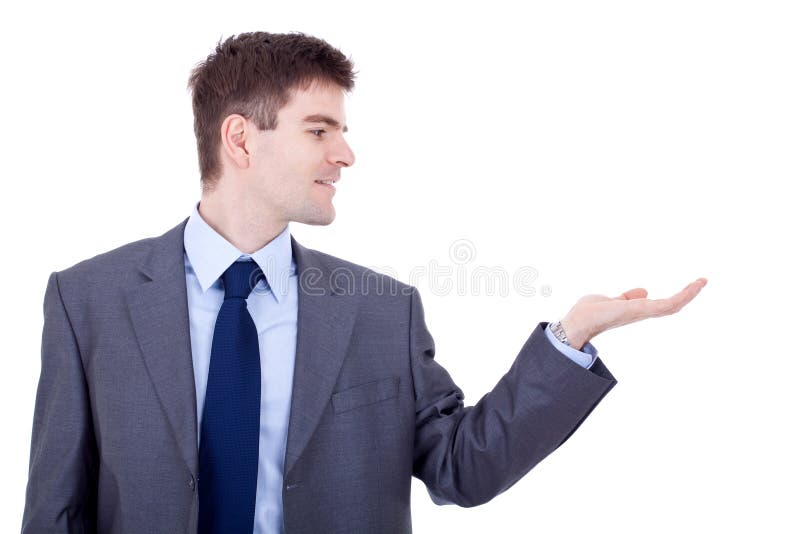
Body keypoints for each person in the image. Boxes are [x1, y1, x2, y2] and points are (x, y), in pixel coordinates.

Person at [21, 31, 706, 534]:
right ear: (240, 139)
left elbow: (461, 468)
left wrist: (571, 337)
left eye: (342, 131)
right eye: (320, 130)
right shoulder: (89, 302)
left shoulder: (384, 314)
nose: (345, 153)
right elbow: (57, 509)